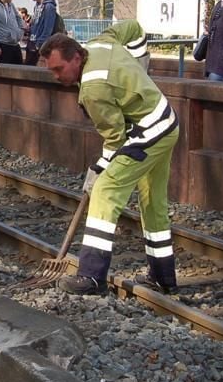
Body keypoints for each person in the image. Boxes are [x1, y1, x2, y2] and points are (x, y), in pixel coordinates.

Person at [39, 20, 179, 297]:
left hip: (147, 133)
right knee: (152, 201)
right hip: (167, 123)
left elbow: (115, 140)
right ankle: (164, 277)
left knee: (105, 192)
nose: (56, 76)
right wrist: (141, 63)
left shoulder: (93, 89)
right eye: (51, 70)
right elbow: (134, 28)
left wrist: (97, 172)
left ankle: (91, 277)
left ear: (76, 57)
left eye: (59, 69)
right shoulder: (101, 42)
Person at [24, 0, 60, 65]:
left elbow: (48, 27)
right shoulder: (37, 6)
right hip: (32, 41)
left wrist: (40, 44)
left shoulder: (49, 7)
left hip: (39, 44)